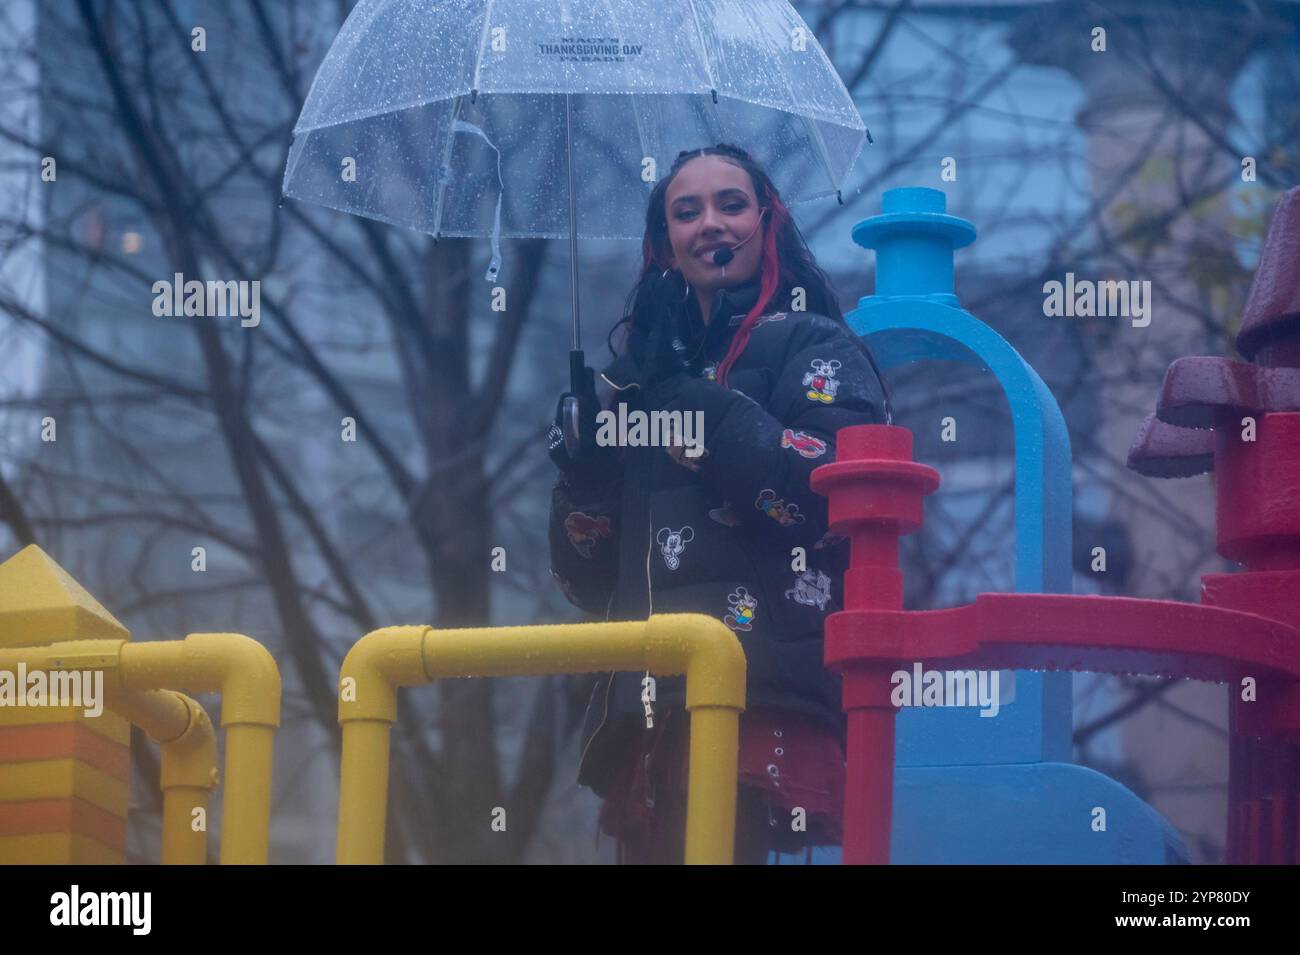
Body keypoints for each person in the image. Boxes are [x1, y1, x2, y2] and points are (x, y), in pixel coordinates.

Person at [547, 142, 889, 864]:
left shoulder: (815, 345)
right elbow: (586, 580)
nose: (710, 223)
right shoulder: (635, 383)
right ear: (663, 240)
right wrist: (583, 469)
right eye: (686, 210)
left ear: (768, 222)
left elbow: (826, 501)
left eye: (731, 204)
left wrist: (688, 402)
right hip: (651, 707)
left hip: (760, 699)